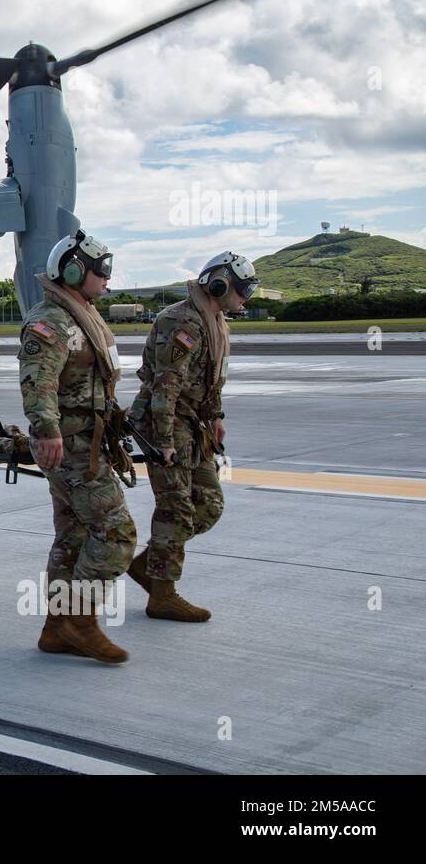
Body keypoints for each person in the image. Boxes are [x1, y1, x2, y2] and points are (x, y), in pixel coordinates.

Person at [18, 229, 137, 664]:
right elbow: (38, 380)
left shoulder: (82, 315)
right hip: (70, 447)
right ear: (73, 270)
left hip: (90, 443)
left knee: (73, 536)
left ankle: (56, 628)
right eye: (102, 270)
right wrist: (46, 429)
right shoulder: (52, 320)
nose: (107, 278)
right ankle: (79, 621)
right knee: (117, 533)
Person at [126, 252, 257, 622]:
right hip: (161, 423)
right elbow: (166, 388)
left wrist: (215, 416)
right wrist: (164, 442)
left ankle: (149, 566)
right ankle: (162, 595)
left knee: (210, 504)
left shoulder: (215, 320)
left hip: (192, 423)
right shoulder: (181, 321)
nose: (246, 296)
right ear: (220, 284)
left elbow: (213, 377)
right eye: (243, 288)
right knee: (176, 509)